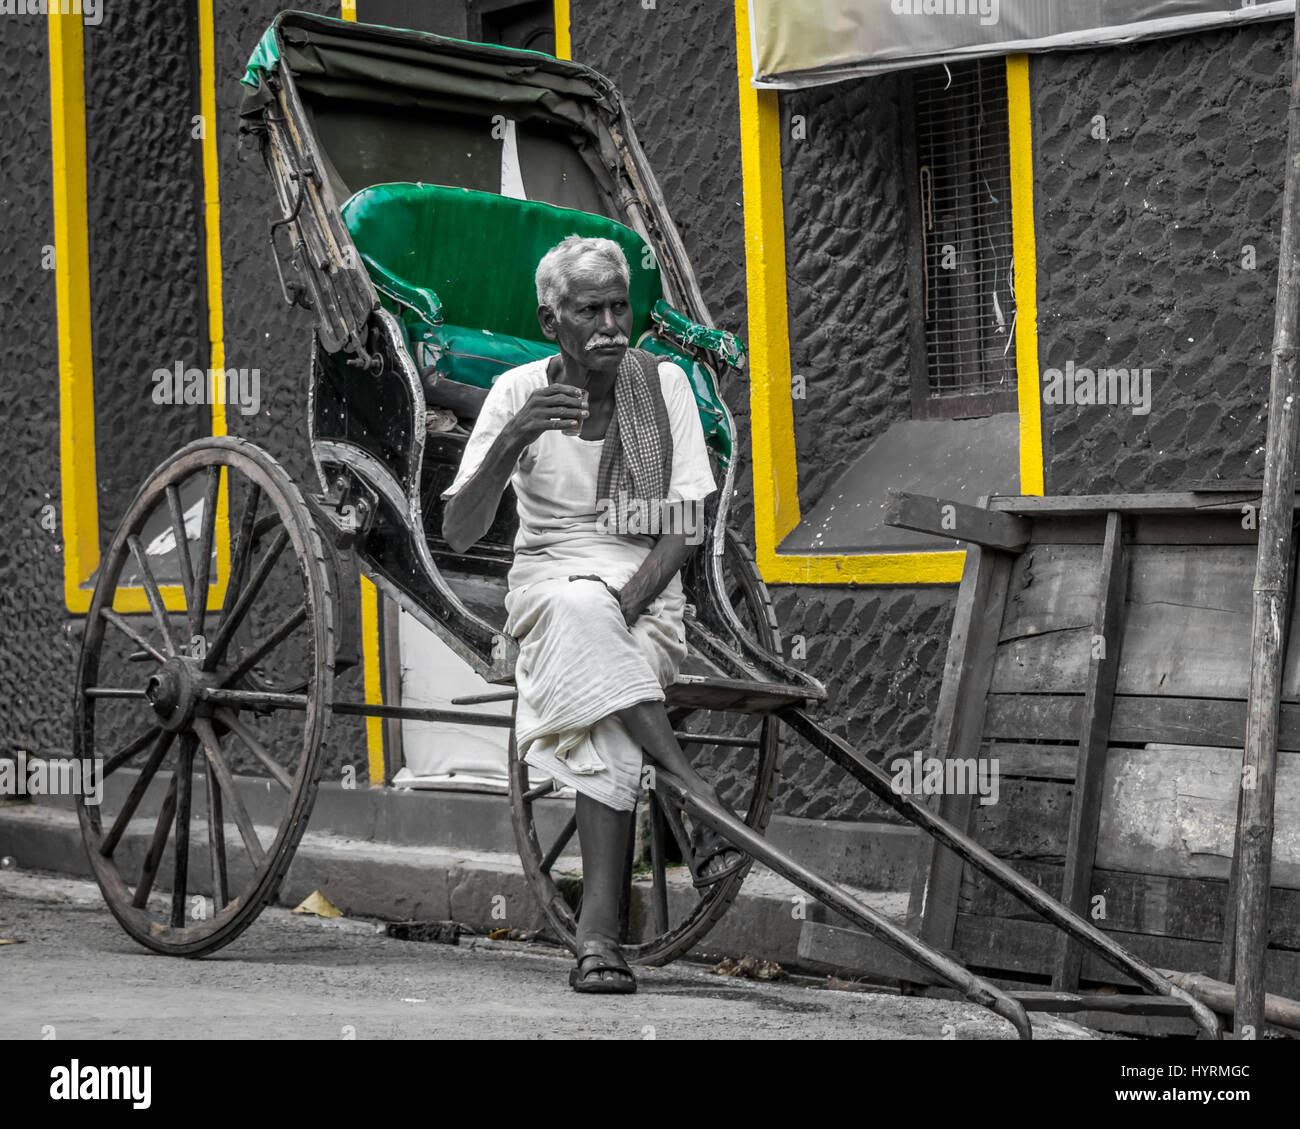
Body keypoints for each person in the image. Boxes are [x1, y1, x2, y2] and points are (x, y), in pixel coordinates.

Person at [441, 234, 745, 994]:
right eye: (591, 310)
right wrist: (513, 437)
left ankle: (601, 940)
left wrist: (626, 602)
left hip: (644, 582)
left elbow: (681, 528)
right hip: (546, 580)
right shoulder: (515, 394)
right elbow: (459, 531)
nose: (613, 325)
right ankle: (687, 789)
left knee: (599, 655)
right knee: (578, 608)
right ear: (552, 322)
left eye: (621, 307)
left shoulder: (662, 383)